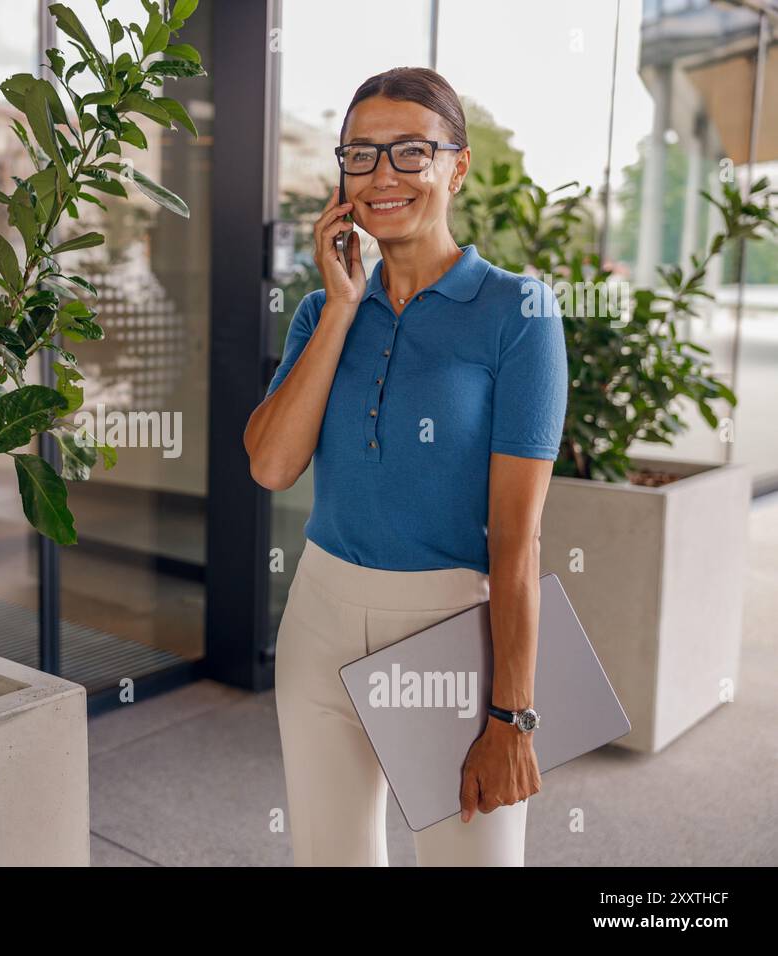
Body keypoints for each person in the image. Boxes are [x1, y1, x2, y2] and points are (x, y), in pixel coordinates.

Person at [243, 66, 568, 866]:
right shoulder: (324, 307)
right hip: (319, 614)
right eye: (361, 154)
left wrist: (512, 716)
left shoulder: (518, 313)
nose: (382, 175)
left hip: (449, 628)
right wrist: (344, 307)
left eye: (409, 152)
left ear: (456, 166)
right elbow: (272, 466)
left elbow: (517, 543)